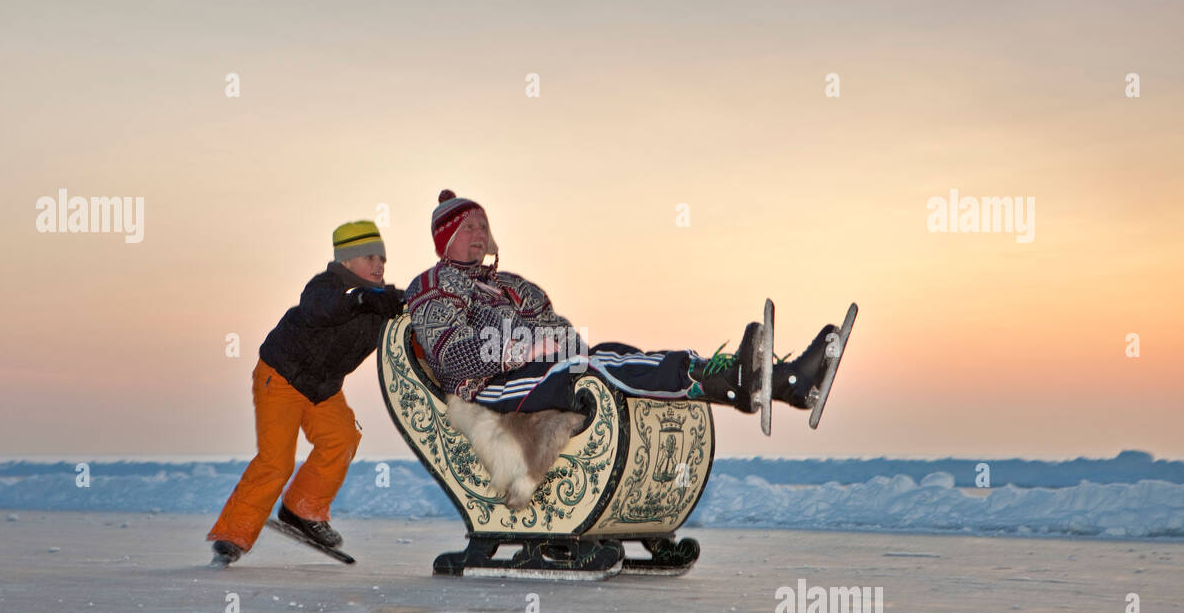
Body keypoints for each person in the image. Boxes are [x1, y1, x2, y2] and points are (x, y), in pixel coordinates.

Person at [404, 189, 837, 417]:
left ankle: (782, 383)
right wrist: (526, 346)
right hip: (488, 392)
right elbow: (452, 356)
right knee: (593, 365)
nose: (480, 234)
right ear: (446, 238)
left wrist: (546, 341)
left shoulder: (513, 285)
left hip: (542, 370)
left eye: (484, 225)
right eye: (469, 227)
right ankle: (747, 381)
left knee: (616, 353)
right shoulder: (434, 285)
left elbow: (561, 331)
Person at [207, 221, 404, 566]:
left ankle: (303, 509)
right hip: (281, 377)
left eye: (381, 258)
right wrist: (359, 299)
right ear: (345, 262)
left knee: (342, 437)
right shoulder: (327, 286)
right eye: (368, 257)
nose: (378, 265)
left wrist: (404, 304)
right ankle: (232, 534)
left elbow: (408, 315)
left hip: (322, 389)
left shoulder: (380, 302)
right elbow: (320, 310)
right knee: (276, 462)